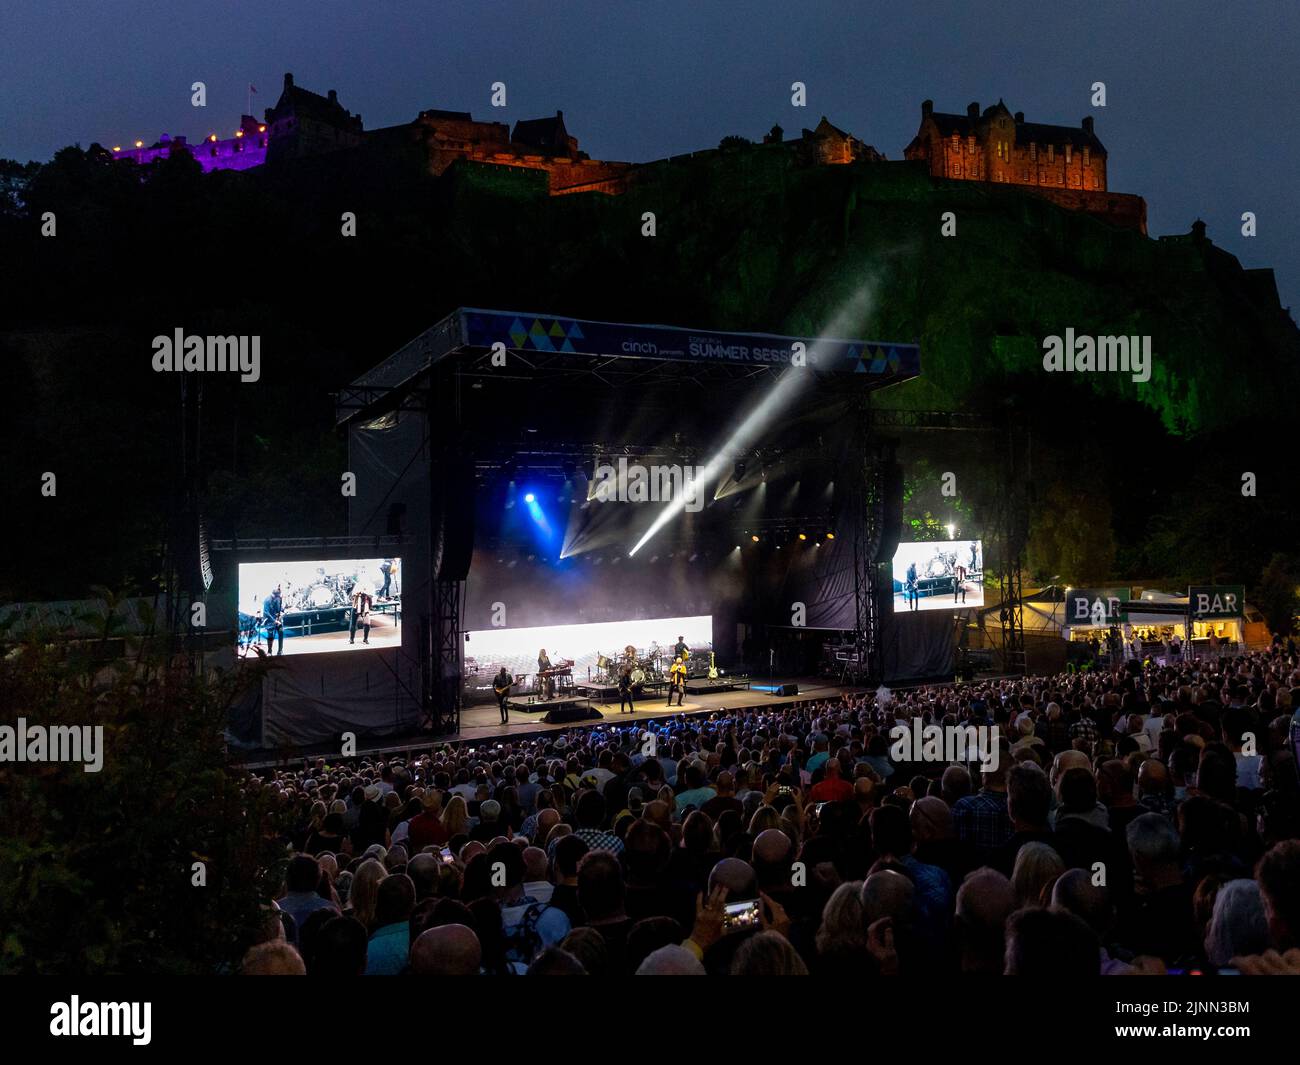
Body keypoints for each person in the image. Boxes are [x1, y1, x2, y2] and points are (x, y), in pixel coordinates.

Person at [262, 584, 285, 655]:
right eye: (277, 596)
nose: (278, 598)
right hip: (269, 620)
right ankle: (269, 651)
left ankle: (280, 650)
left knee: (281, 631)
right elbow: (266, 612)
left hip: (277, 618)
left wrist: (282, 611)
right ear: (274, 595)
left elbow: (279, 608)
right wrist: (274, 621)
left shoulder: (278, 598)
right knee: (270, 635)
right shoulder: (267, 600)